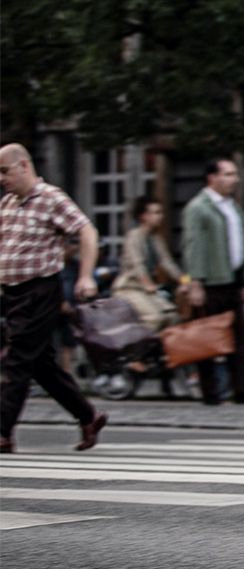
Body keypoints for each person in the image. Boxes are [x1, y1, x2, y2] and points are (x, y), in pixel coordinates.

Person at [0, 144, 107, 454]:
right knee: (41, 364)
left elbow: (87, 231)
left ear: (23, 166)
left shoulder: (51, 198)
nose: (2, 179)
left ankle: (3, 432)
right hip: (14, 294)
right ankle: (89, 416)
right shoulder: (7, 204)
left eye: (5, 171)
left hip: (40, 290)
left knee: (17, 359)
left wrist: (86, 276)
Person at [181, 158, 244, 404]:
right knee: (206, 338)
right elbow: (193, 246)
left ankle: (242, 389)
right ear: (213, 178)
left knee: (239, 337)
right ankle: (210, 392)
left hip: (233, 279)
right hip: (210, 280)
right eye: (229, 174)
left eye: (235, 174)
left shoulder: (233, 206)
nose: (235, 179)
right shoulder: (199, 207)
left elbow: (243, 244)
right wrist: (196, 281)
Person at [112, 196, 184, 331]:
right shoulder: (134, 237)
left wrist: (185, 280)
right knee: (154, 317)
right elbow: (137, 264)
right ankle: (135, 348)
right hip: (129, 288)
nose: (160, 216)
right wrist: (147, 284)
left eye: (160, 212)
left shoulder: (156, 239)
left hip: (147, 290)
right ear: (144, 216)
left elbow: (168, 263)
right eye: (156, 213)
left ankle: (160, 350)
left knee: (173, 316)